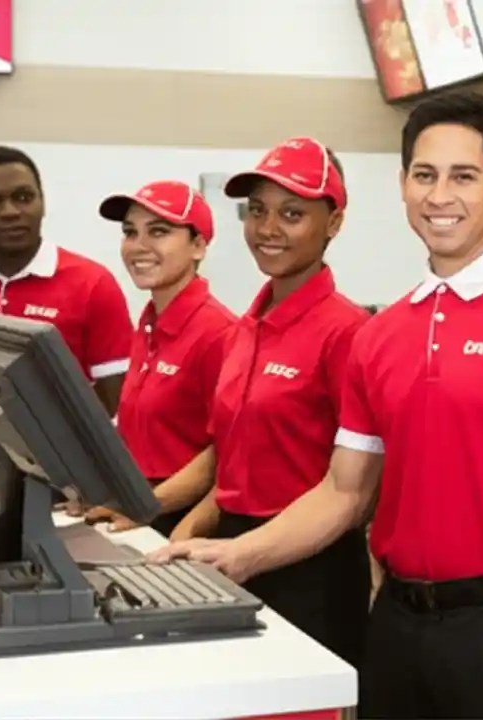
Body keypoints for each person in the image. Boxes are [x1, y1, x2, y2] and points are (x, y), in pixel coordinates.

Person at [152, 91, 483, 720]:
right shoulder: (380, 335)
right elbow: (345, 493)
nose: (439, 195)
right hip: (398, 628)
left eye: (464, 176)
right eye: (424, 175)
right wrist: (240, 554)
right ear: (402, 184)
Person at [146, 138, 372, 667]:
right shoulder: (247, 326)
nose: (268, 229)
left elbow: (358, 487)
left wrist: (244, 549)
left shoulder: (348, 333)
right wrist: (185, 533)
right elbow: (230, 454)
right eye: (257, 212)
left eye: (292, 214)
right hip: (234, 547)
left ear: (333, 223)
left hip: (311, 566)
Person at [0, 145, 133, 413]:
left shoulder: (93, 284)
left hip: (56, 452)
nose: (10, 211)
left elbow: (116, 397)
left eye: (23, 197)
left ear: (42, 202)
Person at [78, 181, 235, 536]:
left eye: (159, 232)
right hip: (143, 505)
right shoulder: (149, 323)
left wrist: (145, 507)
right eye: (130, 233)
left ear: (198, 246)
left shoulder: (218, 333)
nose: (139, 246)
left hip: (183, 519)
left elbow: (224, 455)